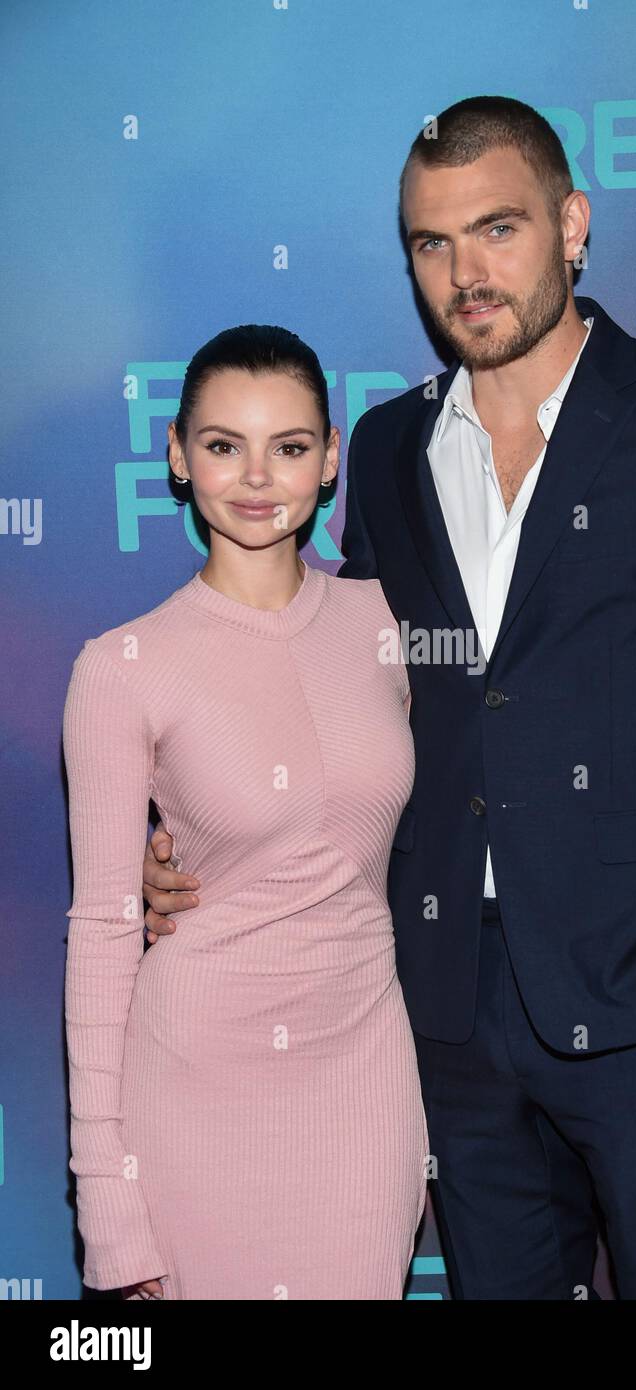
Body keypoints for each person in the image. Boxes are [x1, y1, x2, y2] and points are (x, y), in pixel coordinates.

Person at [142, 97, 636, 1299]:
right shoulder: (388, 451)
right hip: (445, 1017)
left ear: (573, 225)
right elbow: (345, 708)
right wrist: (207, 848)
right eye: (432, 243)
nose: (466, 273)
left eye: (499, 228)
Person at [63, 325, 428, 1300]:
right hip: (192, 1089)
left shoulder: (390, 623)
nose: (258, 478)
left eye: (291, 446)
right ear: (178, 455)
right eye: (224, 445)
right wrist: (106, 1197)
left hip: (363, 1081)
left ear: (332, 457)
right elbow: (102, 931)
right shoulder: (119, 667)